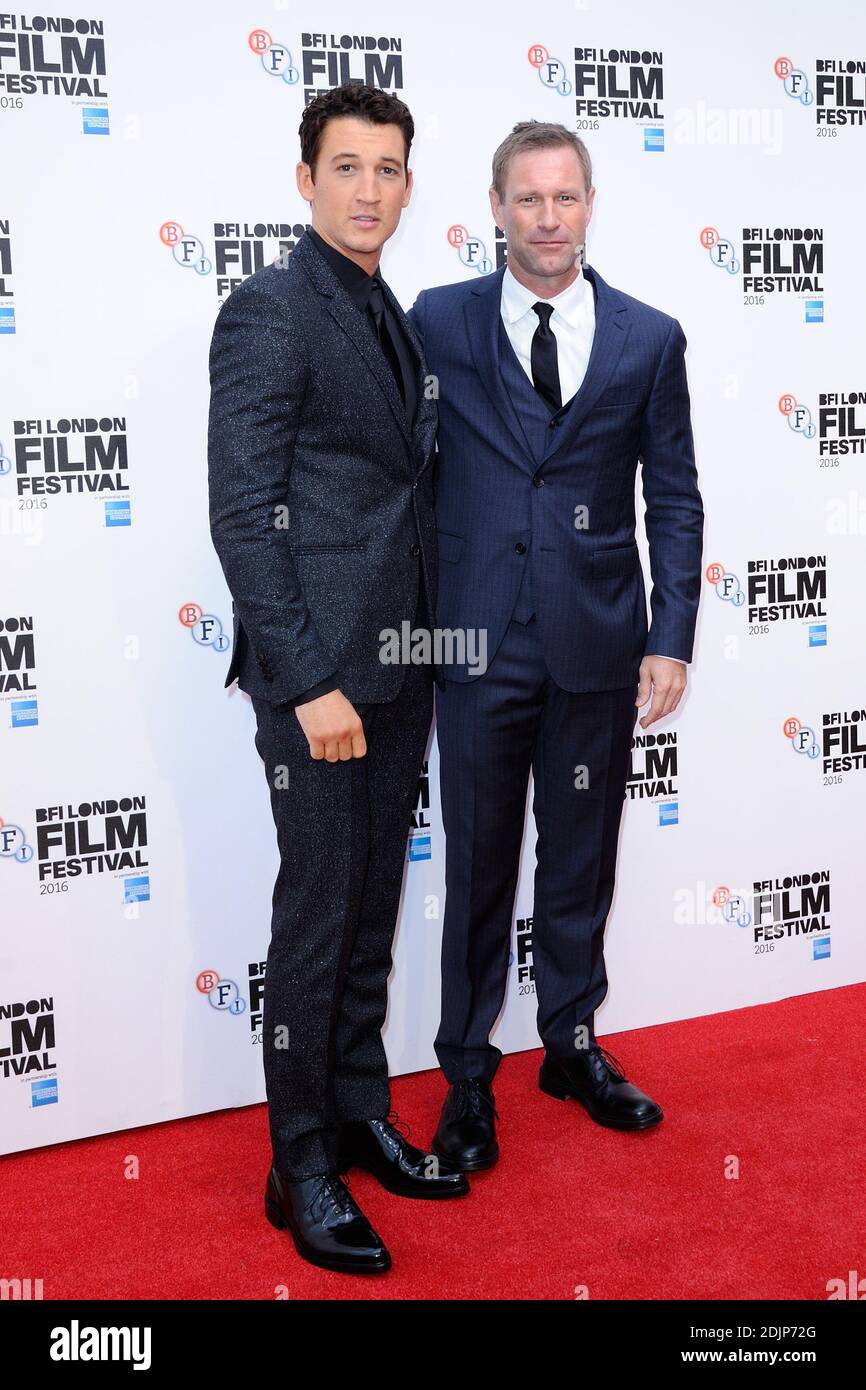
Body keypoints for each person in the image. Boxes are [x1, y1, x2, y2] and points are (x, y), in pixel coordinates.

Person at [407, 120, 704, 1171]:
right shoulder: (436, 321)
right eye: (525, 198)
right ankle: (464, 1078)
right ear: (493, 207)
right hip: (475, 645)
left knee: (579, 861)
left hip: (594, 643)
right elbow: (399, 472)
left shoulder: (647, 336)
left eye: (563, 198)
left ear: (588, 206)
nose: (544, 218)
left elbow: (670, 495)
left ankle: (570, 1042)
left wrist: (669, 636)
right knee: (479, 865)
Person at [207, 82, 468, 1276]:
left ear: (410, 186)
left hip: (399, 664)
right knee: (316, 917)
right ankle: (297, 1159)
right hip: (318, 681)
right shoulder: (270, 310)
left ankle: (357, 1108)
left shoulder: (390, 315)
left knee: (367, 908)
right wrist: (307, 680)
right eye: (347, 166)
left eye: (390, 169)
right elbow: (242, 516)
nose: (370, 189)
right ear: (304, 179)